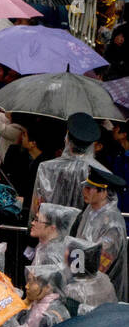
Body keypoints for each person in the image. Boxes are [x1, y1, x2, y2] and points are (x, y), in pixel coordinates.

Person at [33, 112, 103, 218]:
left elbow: (37, 204)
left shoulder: (46, 168)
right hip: (83, 231)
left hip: (50, 227)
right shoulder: (98, 171)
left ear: (67, 139)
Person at [72, 164, 127, 301]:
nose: (84, 191)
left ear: (103, 192)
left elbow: (101, 263)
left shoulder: (112, 224)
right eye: (85, 187)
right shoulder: (90, 211)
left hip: (102, 291)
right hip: (82, 282)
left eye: (89, 188)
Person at [29, 202, 80, 268]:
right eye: (34, 219)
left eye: (37, 220)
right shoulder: (44, 247)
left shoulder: (51, 257)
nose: (32, 223)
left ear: (52, 228)